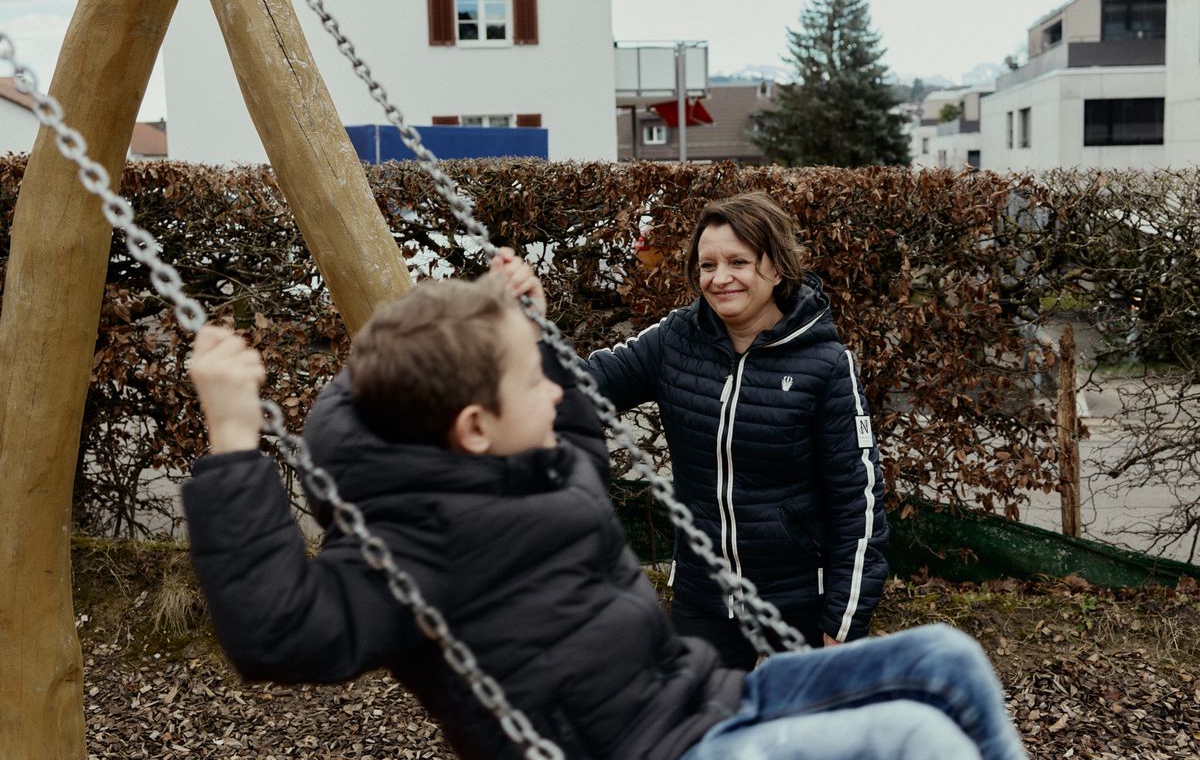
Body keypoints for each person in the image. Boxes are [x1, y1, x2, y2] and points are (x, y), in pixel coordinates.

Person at [181, 264, 1027, 760]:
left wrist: (527, 322)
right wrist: (230, 434)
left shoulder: (538, 463)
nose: (557, 385)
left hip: (711, 697)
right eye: (532, 378)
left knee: (945, 662)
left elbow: (578, 417)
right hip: (654, 751)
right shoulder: (404, 549)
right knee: (915, 738)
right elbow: (278, 633)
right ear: (475, 427)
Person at [579, 191, 889, 668]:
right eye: (707, 265)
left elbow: (858, 504)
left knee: (794, 740)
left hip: (798, 604)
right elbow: (581, 384)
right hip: (702, 601)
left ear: (777, 268)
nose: (719, 278)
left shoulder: (826, 364)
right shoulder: (674, 340)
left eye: (738, 261)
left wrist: (843, 623)